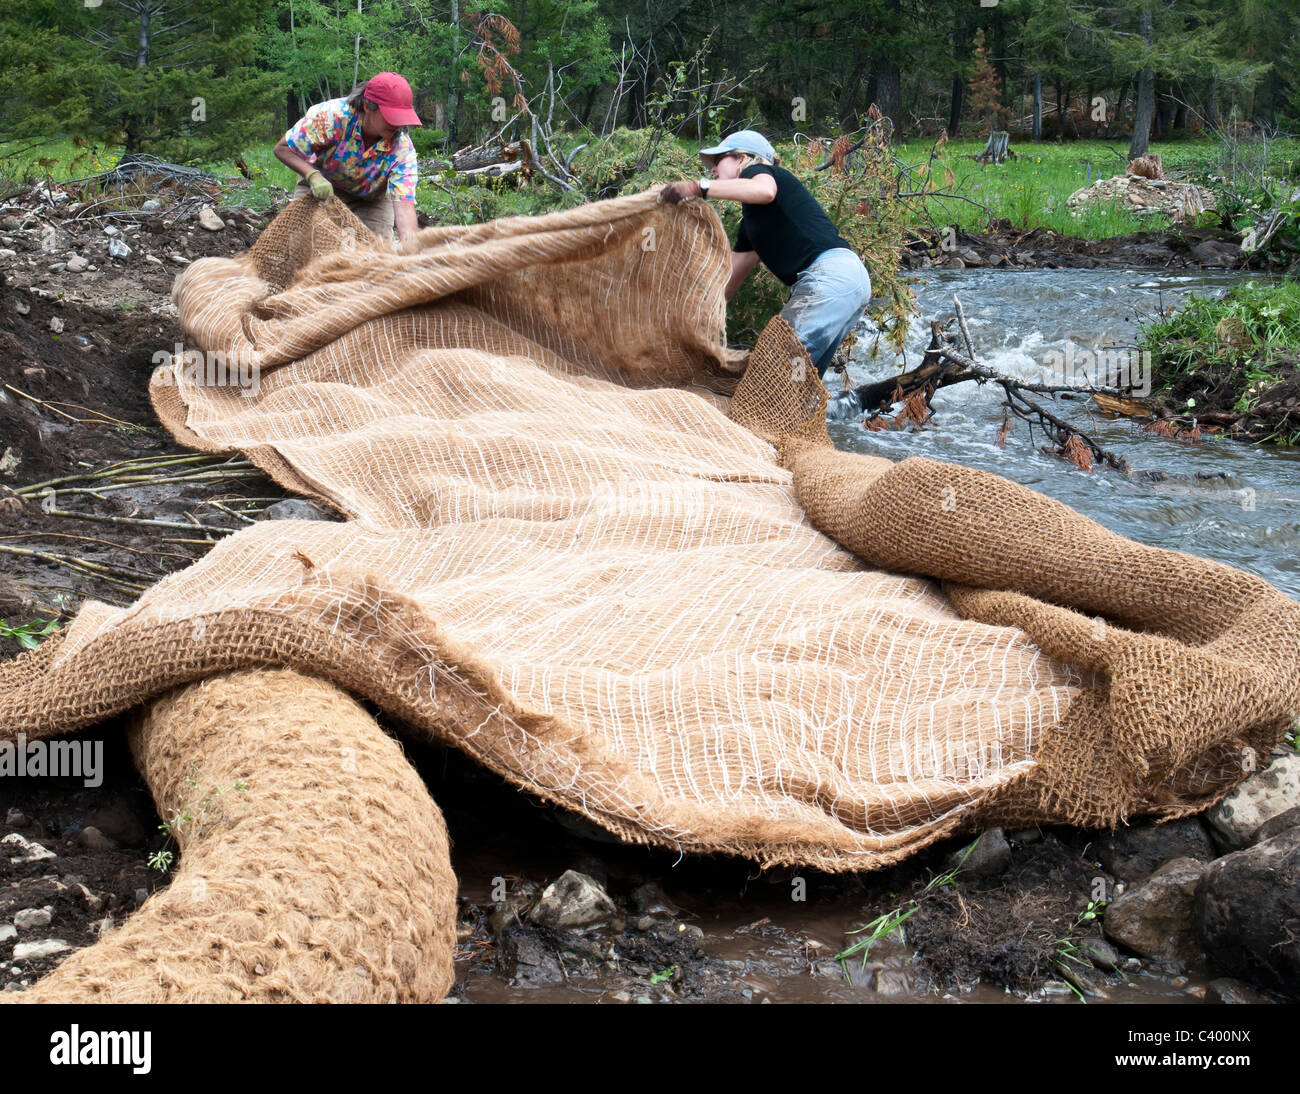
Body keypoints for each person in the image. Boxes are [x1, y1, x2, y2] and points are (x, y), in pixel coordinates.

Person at [662, 130, 871, 378]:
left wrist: (697, 187)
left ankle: (751, 417)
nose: (712, 170)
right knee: (800, 381)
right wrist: (699, 321)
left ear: (742, 158)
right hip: (849, 281)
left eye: (718, 161)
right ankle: (797, 417)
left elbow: (765, 191)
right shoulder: (753, 224)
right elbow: (730, 280)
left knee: (773, 369)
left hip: (830, 277)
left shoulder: (760, 173)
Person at [274, 72, 423, 250]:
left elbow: (404, 207)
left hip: (370, 199)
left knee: (376, 253)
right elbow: (282, 149)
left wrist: (411, 250)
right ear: (368, 106)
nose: (398, 125)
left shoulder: (402, 148)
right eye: (391, 117)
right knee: (303, 244)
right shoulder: (331, 117)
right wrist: (312, 175)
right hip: (321, 187)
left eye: (401, 118)